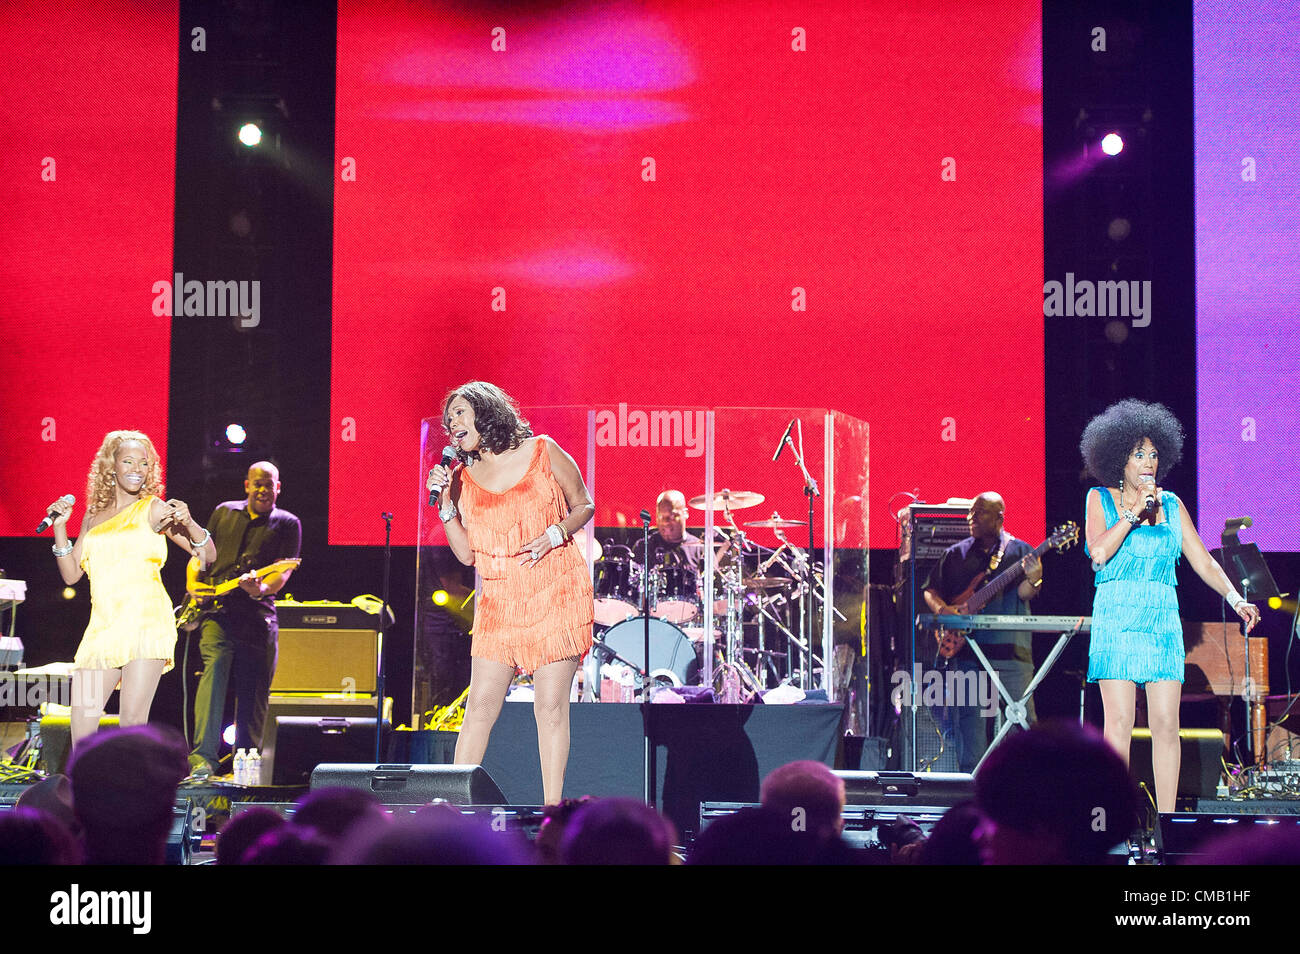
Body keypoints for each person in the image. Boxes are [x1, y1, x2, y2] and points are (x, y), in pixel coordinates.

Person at [1080, 399, 1259, 813]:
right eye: (1138, 454)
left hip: (1161, 621)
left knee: (1166, 726)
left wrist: (1236, 598)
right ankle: (1114, 824)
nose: (1148, 462)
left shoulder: (1173, 505)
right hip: (1118, 620)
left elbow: (1204, 561)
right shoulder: (1099, 499)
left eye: (1154, 454)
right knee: (1119, 725)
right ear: (1118, 459)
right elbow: (1098, 554)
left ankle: (1166, 822)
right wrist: (1133, 513)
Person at [427, 382, 594, 805]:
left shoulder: (542, 450)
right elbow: (466, 553)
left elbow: (584, 504)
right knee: (479, 707)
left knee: (550, 707)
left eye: (460, 413)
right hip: (499, 599)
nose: (453, 425)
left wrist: (555, 533)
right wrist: (445, 501)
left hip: (555, 588)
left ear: (486, 412)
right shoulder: (460, 477)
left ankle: (553, 810)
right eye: (449, 421)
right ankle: (453, 805)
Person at [46, 431, 215, 748]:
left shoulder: (153, 508)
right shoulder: (93, 516)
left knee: (131, 725)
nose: (137, 468)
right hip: (103, 626)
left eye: (144, 463)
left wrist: (191, 523)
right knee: (81, 721)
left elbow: (207, 555)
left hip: (145, 621)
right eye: (128, 461)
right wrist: (59, 528)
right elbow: (71, 575)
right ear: (111, 467)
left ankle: (131, 795)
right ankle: (86, 795)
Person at [187, 461, 300, 778]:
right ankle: (202, 762)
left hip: (257, 617)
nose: (264, 489)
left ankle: (245, 766)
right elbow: (200, 555)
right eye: (258, 483)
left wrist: (259, 588)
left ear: (278, 487)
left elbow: (284, 570)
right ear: (247, 485)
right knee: (215, 672)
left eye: (270, 484)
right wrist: (192, 584)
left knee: (254, 691)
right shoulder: (224, 512)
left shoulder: (287, 523)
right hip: (217, 614)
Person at [922, 492, 1043, 772]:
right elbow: (930, 590)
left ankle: (1024, 792)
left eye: (979, 513)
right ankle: (971, 797)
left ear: (1000, 516)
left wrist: (1036, 577)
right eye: (970, 513)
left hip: (1012, 654)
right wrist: (944, 611)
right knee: (970, 731)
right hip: (969, 656)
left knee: (1022, 726)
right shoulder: (956, 554)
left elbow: (1026, 593)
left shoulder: (1022, 550)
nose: (970, 518)